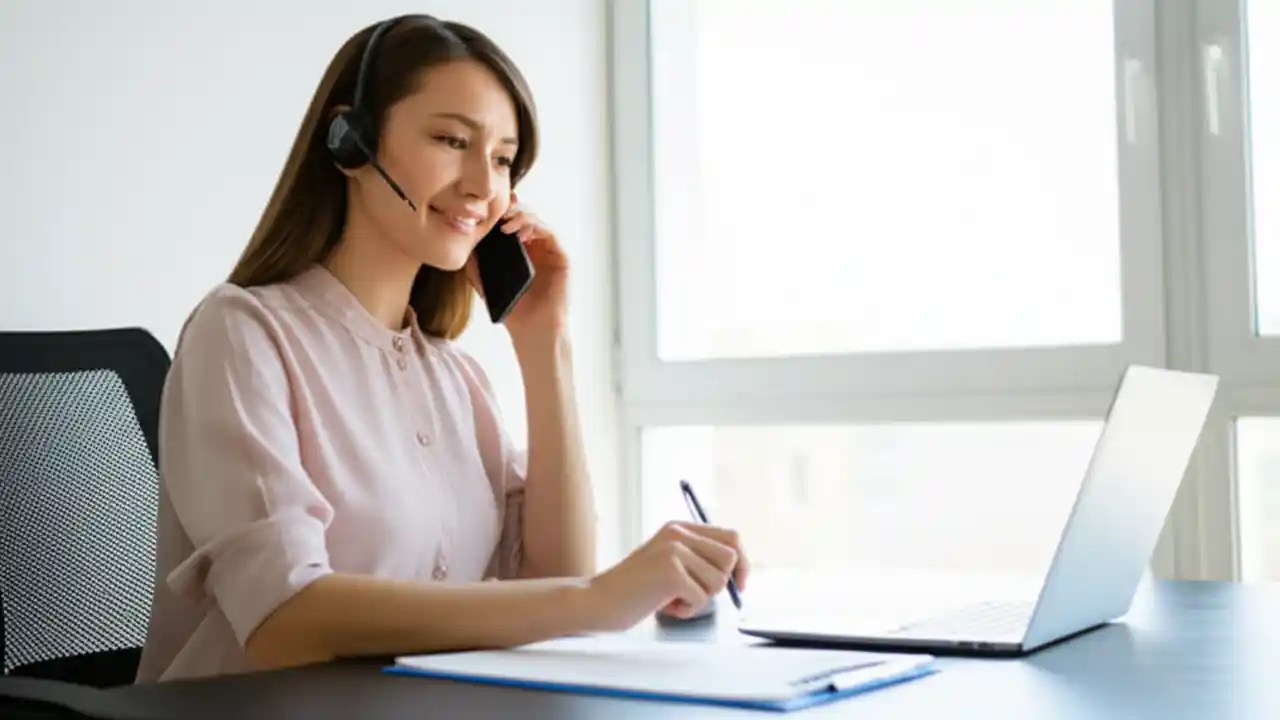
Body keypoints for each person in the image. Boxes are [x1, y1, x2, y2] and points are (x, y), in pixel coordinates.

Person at [135, 14, 749, 683]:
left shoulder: (454, 378)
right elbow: (284, 616)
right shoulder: (242, 333)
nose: (484, 187)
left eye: (504, 159)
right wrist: (595, 601)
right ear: (351, 141)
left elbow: (554, 578)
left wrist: (545, 345)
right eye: (453, 140)